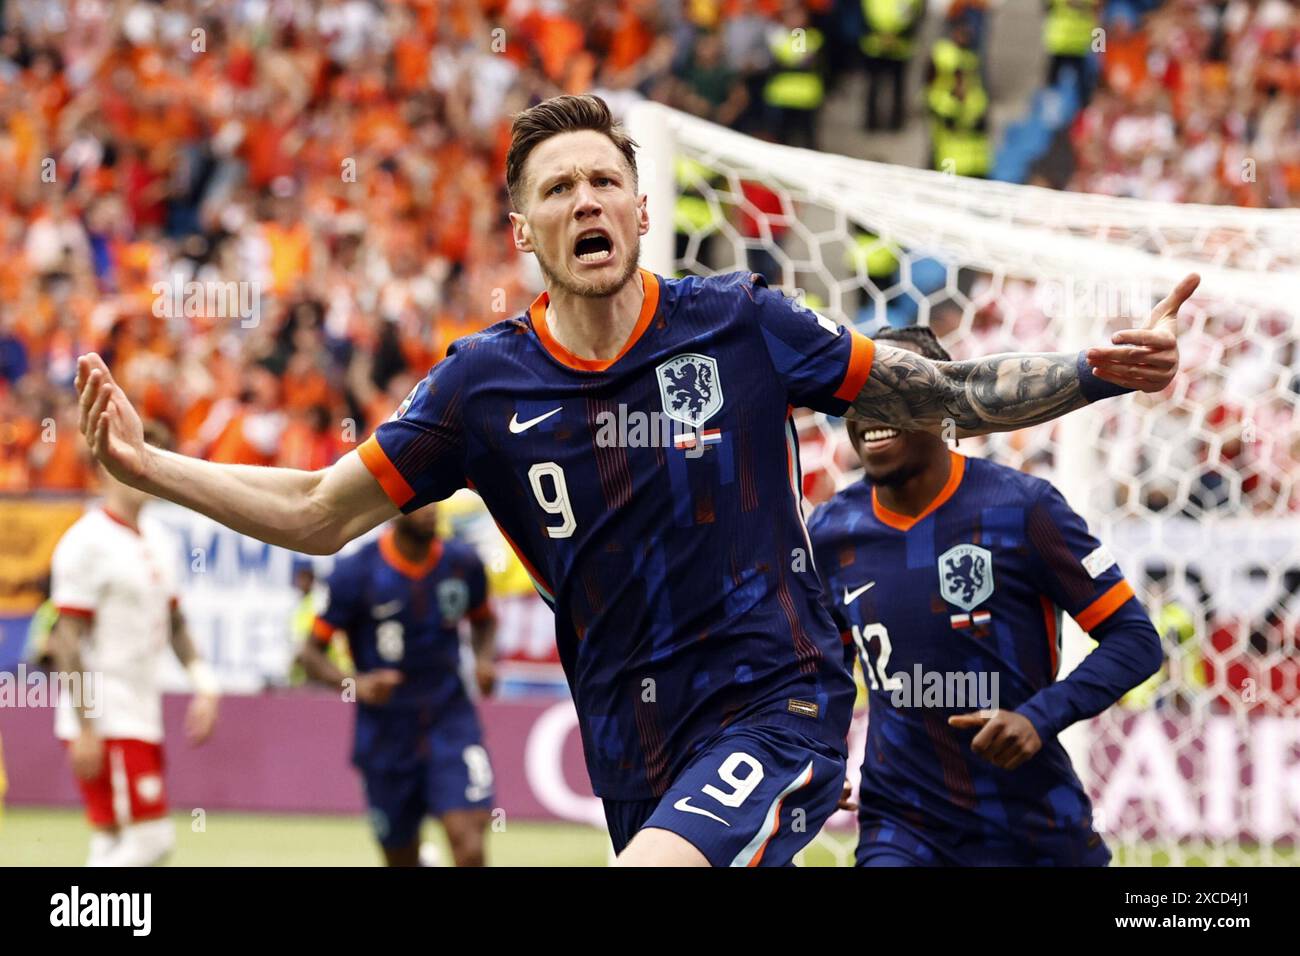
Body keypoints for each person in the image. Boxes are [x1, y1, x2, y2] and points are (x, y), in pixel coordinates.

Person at [76, 93, 1194, 867]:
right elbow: (321, 512)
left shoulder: (744, 324)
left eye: (604, 181)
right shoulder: (481, 387)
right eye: (558, 190)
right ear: (526, 229)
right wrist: (148, 464)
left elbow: (942, 390)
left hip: (780, 704)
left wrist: (1096, 368)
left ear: (641, 208)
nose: (585, 202)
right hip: (630, 735)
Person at [808, 327, 1163, 866]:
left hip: (1030, 824)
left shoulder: (1022, 509)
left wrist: (1038, 718)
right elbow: (820, 666)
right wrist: (817, 754)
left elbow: (1135, 640)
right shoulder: (833, 531)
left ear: (946, 410)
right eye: (858, 396)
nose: (869, 411)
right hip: (901, 826)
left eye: (893, 391)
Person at [47, 425, 219, 866]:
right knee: (151, 841)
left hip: (141, 709)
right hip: (107, 716)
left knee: (109, 840)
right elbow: (66, 642)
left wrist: (204, 682)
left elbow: (175, 621)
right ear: (105, 466)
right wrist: (85, 725)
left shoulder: (161, 540)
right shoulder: (85, 542)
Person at [299, 503, 497, 867]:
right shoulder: (355, 572)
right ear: (391, 508)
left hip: (450, 718)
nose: (429, 508)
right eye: (419, 500)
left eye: (434, 499)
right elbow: (310, 654)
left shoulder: (462, 563)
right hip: (385, 730)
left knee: (469, 841)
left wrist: (484, 660)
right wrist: (355, 683)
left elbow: (484, 620)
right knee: (400, 857)